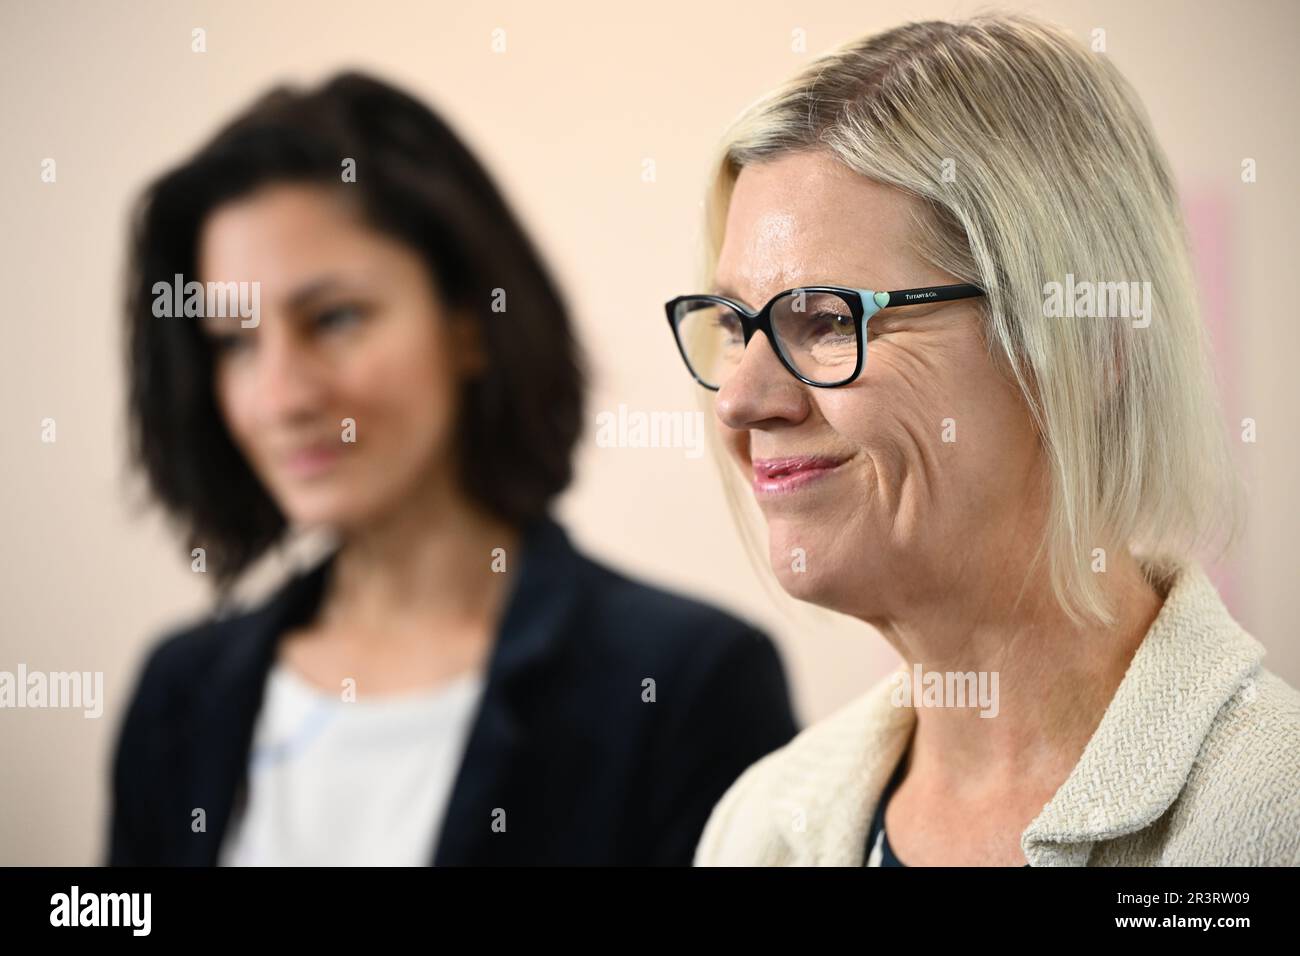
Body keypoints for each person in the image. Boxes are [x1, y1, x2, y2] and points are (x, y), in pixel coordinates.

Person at [108, 72, 797, 866]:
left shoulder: (684, 685)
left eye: (333, 319)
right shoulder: (180, 694)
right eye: (235, 342)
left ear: (470, 324)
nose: (280, 396)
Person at [670, 15, 1300, 866]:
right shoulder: (761, 829)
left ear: (1085, 344)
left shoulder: (1271, 812)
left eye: (823, 319)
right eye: (736, 326)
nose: (740, 400)